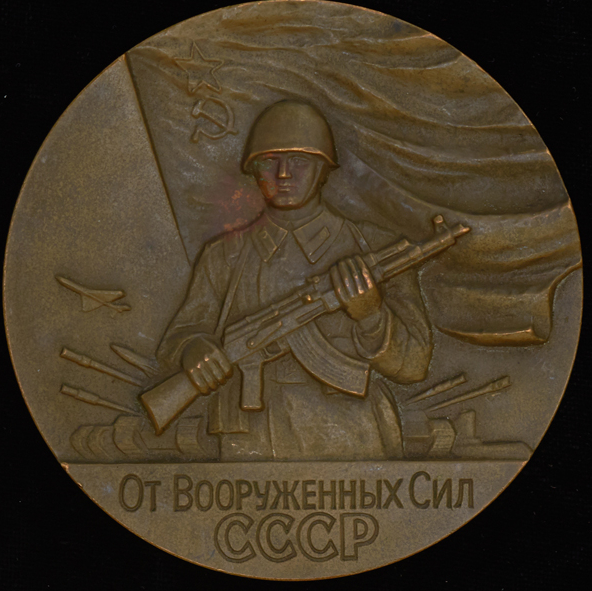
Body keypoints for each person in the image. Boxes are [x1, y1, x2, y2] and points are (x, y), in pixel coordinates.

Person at [156, 100, 433, 461]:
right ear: (253, 170)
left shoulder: (375, 248)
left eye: (300, 161)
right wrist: (193, 350)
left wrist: (372, 316)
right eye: (269, 161)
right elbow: (176, 340)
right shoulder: (224, 256)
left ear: (323, 170)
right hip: (248, 443)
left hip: (351, 438)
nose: (283, 174)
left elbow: (415, 366)